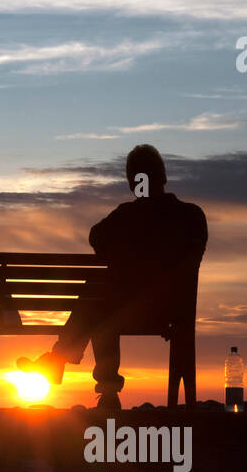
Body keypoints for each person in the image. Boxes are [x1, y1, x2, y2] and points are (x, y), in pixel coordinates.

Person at [18, 144, 207, 409]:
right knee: (101, 300)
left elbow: (96, 237)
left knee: (99, 298)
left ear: (133, 184)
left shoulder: (127, 216)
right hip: (173, 314)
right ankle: (66, 365)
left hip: (132, 308)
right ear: (163, 177)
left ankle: (72, 367)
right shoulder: (191, 216)